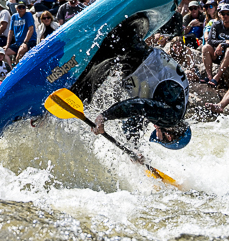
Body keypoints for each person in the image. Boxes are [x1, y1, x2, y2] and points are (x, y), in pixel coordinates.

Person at [77, 16, 191, 150]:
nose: (156, 133)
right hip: (134, 55)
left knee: (90, 89)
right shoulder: (171, 118)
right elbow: (138, 106)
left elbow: (137, 120)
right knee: (84, 91)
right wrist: (104, 117)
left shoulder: (176, 110)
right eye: (159, 138)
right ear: (169, 136)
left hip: (137, 56)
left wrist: (134, 148)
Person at [200, 2, 229, 87]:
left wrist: (223, 45)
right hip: (218, 53)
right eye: (223, 13)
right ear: (219, 15)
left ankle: (216, 78)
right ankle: (209, 76)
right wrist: (225, 42)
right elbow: (210, 41)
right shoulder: (216, 25)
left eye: (228, 14)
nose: (225, 16)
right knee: (205, 47)